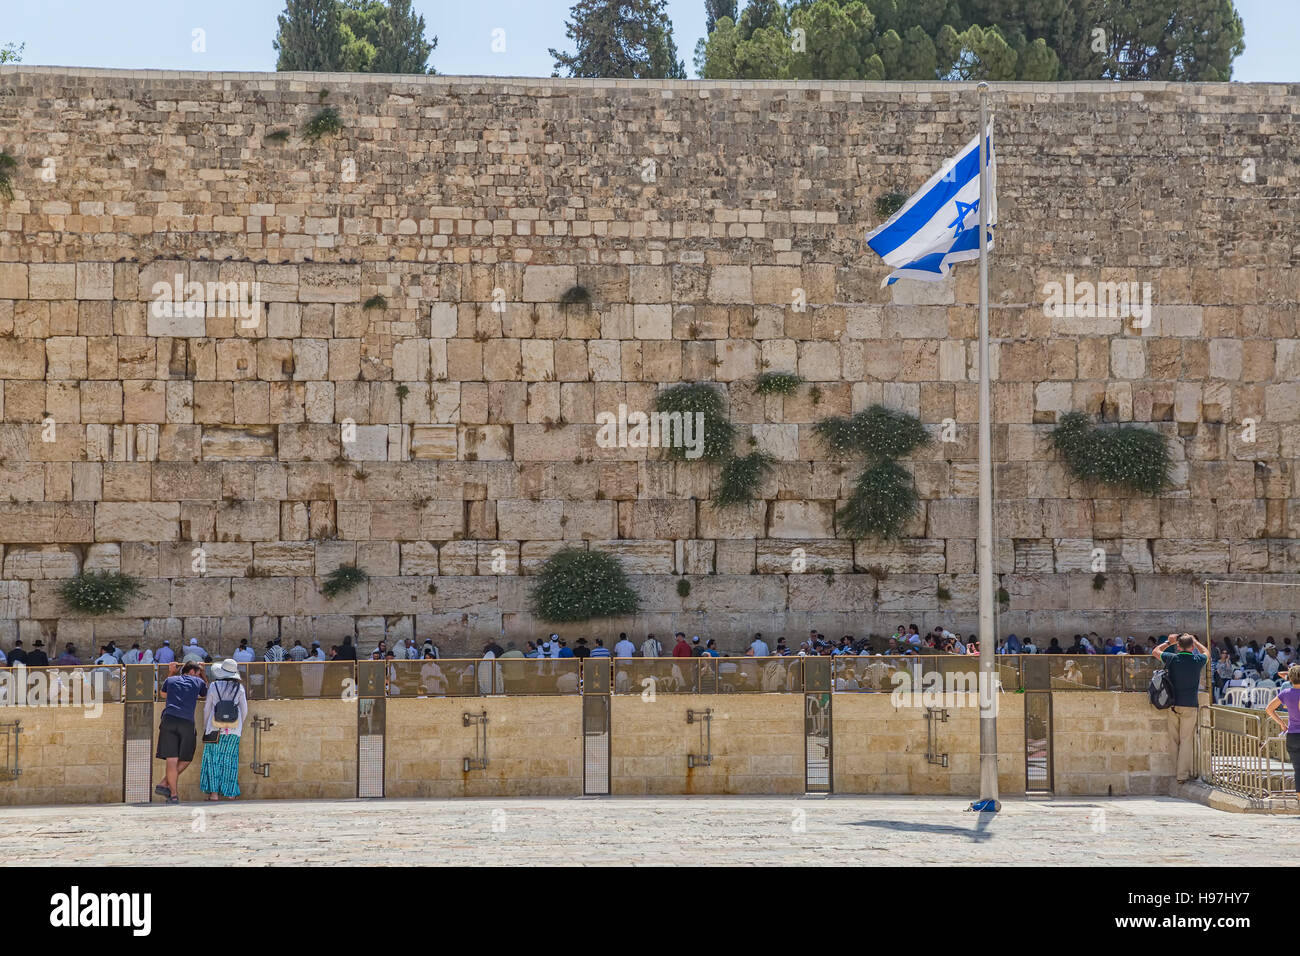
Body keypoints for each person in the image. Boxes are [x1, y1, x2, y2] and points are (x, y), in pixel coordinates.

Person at [1153, 632, 1208, 786]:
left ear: (1178, 646)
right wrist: (1196, 641)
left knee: (1173, 739)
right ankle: (1181, 774)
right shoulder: (1197, 660)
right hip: (1190, 705)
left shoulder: (1173, 658)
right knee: (1186, 740)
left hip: (1173, 704)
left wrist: (1168, 643)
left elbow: (1155, 652)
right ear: (1191, 646)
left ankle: (1173, 770)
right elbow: (1207, 653)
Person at [155, 662, 208, 803]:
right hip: (186, 722)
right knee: (186, 758)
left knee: (171, 760)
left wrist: (171, 672)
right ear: (192, 671)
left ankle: (173, 795)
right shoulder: (198, 681)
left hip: (168, 720)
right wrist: (203, 673)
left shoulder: (171, 680)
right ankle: (163, 783)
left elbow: (162, 694)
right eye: (197, 672)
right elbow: (205, 694)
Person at [199, 659, 248, 802]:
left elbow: (207, 708)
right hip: (233, 731)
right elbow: (244, 711)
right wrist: (236, 725)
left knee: (213, 760)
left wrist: (205, 726)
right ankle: (230, 793)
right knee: (230, 760)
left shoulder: (214, 686)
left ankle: (214, 794)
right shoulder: (240, 688)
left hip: (214, 729)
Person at [1264, 665, 1300, 794]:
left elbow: (1269, 709)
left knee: (1298, 770)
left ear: (1290, 679)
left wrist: (1281, 723)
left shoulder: (1286, 693)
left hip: (1293, 735)